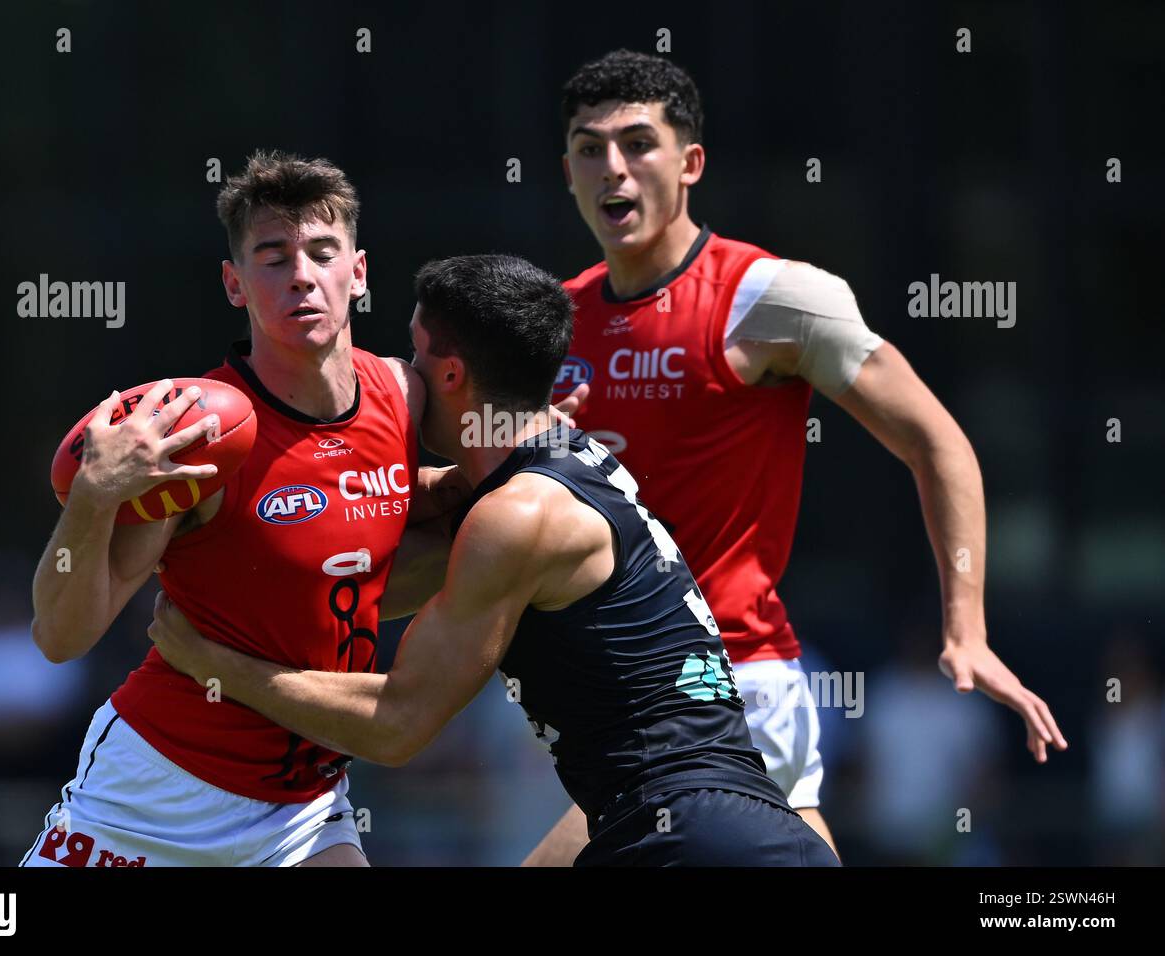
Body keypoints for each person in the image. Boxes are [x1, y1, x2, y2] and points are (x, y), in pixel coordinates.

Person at [524, 49, 1067, 862]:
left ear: (690, 162)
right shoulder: (552, 323)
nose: (615, 169)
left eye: (638, 144)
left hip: (726, 686)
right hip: (612, 698)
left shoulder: (769, 297)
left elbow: (937, 441)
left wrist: (967, 627)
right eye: (589, 148)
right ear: (566, 168)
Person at [147, 254, 841, 867]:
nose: (400, 378)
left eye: (414, 359)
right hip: (743, 828)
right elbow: (384, 536)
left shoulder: (516, 518)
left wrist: (214, 664)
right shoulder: (566, 462)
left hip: (684, 839)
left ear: (451, 373)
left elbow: (396, 724)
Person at [22, 150, 468, 867]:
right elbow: (60, 636)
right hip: (155, 797)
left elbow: (363, 575)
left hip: (304, 809)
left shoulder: (403, 396)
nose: (301, 274)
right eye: (272, 256)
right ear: (235, 283)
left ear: (357, 272)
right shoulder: (197, 435)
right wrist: (92, 500)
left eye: (323, 252)